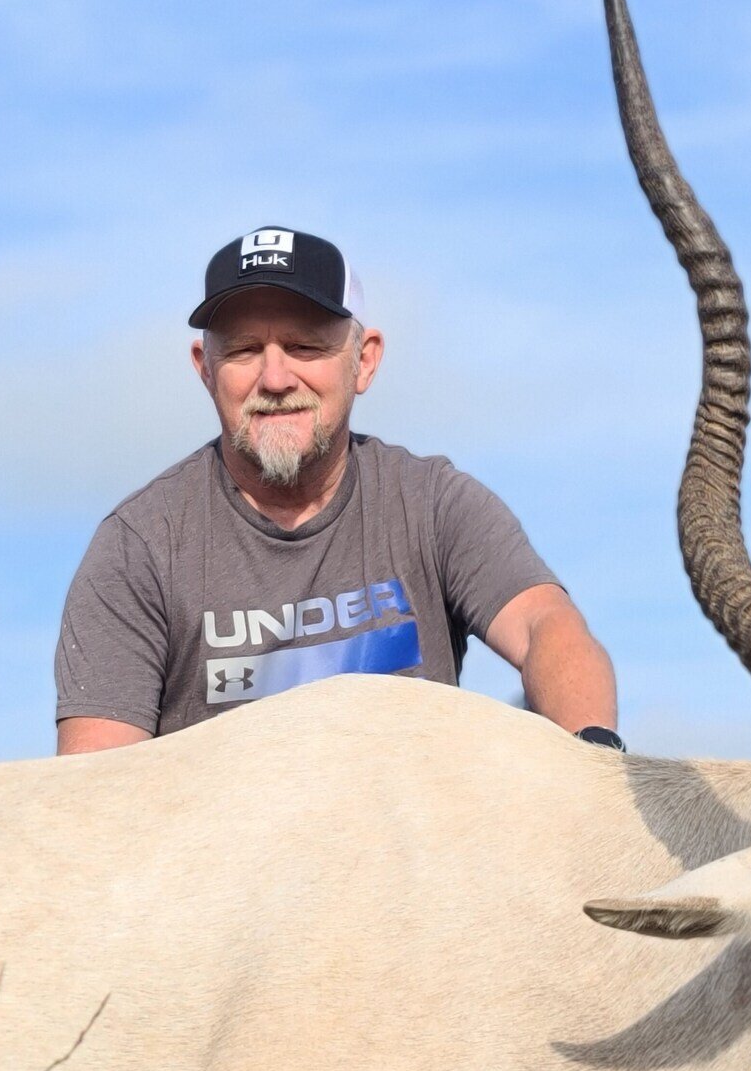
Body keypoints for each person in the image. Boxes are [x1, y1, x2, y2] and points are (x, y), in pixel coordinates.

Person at [54, 228, 621, 754]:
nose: (275, 379)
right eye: (244, 350)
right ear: (206, 369)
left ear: (364, 361)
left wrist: (595, 761)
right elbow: (98, 788)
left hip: (416, 853)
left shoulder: (431, 505)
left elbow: (545, 624)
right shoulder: (139, 547)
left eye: (305, 347)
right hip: (221, 861)